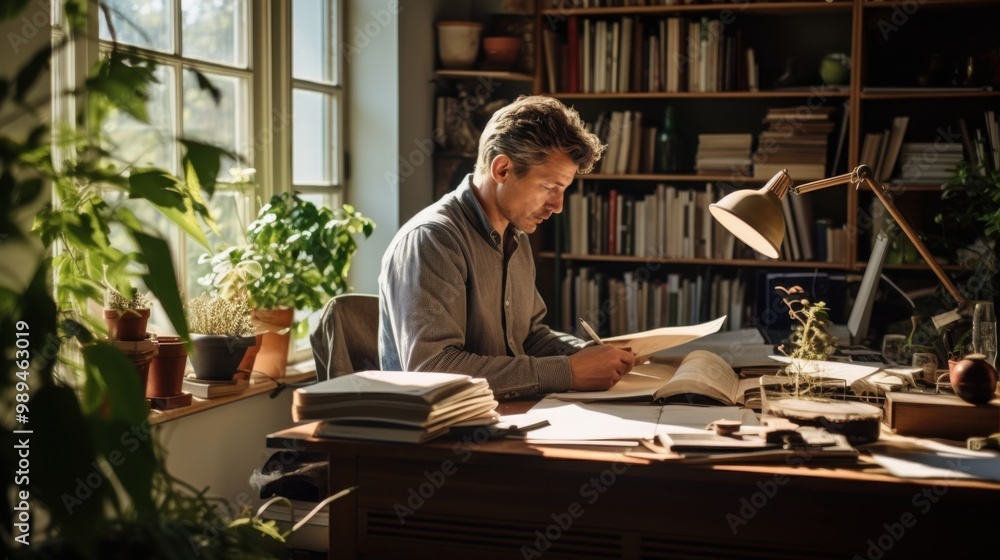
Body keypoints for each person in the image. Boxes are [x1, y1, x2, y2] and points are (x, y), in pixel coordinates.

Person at [378, 95, 634, 399]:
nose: (558, 206)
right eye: (550, 187)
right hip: (440, 433)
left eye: (563, 190)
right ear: (502, 169)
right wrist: (568, 371)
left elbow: (529, 337)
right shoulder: (433, 240)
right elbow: (432, 368)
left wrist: (593, 355)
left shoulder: (516, 238)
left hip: (504, 415)